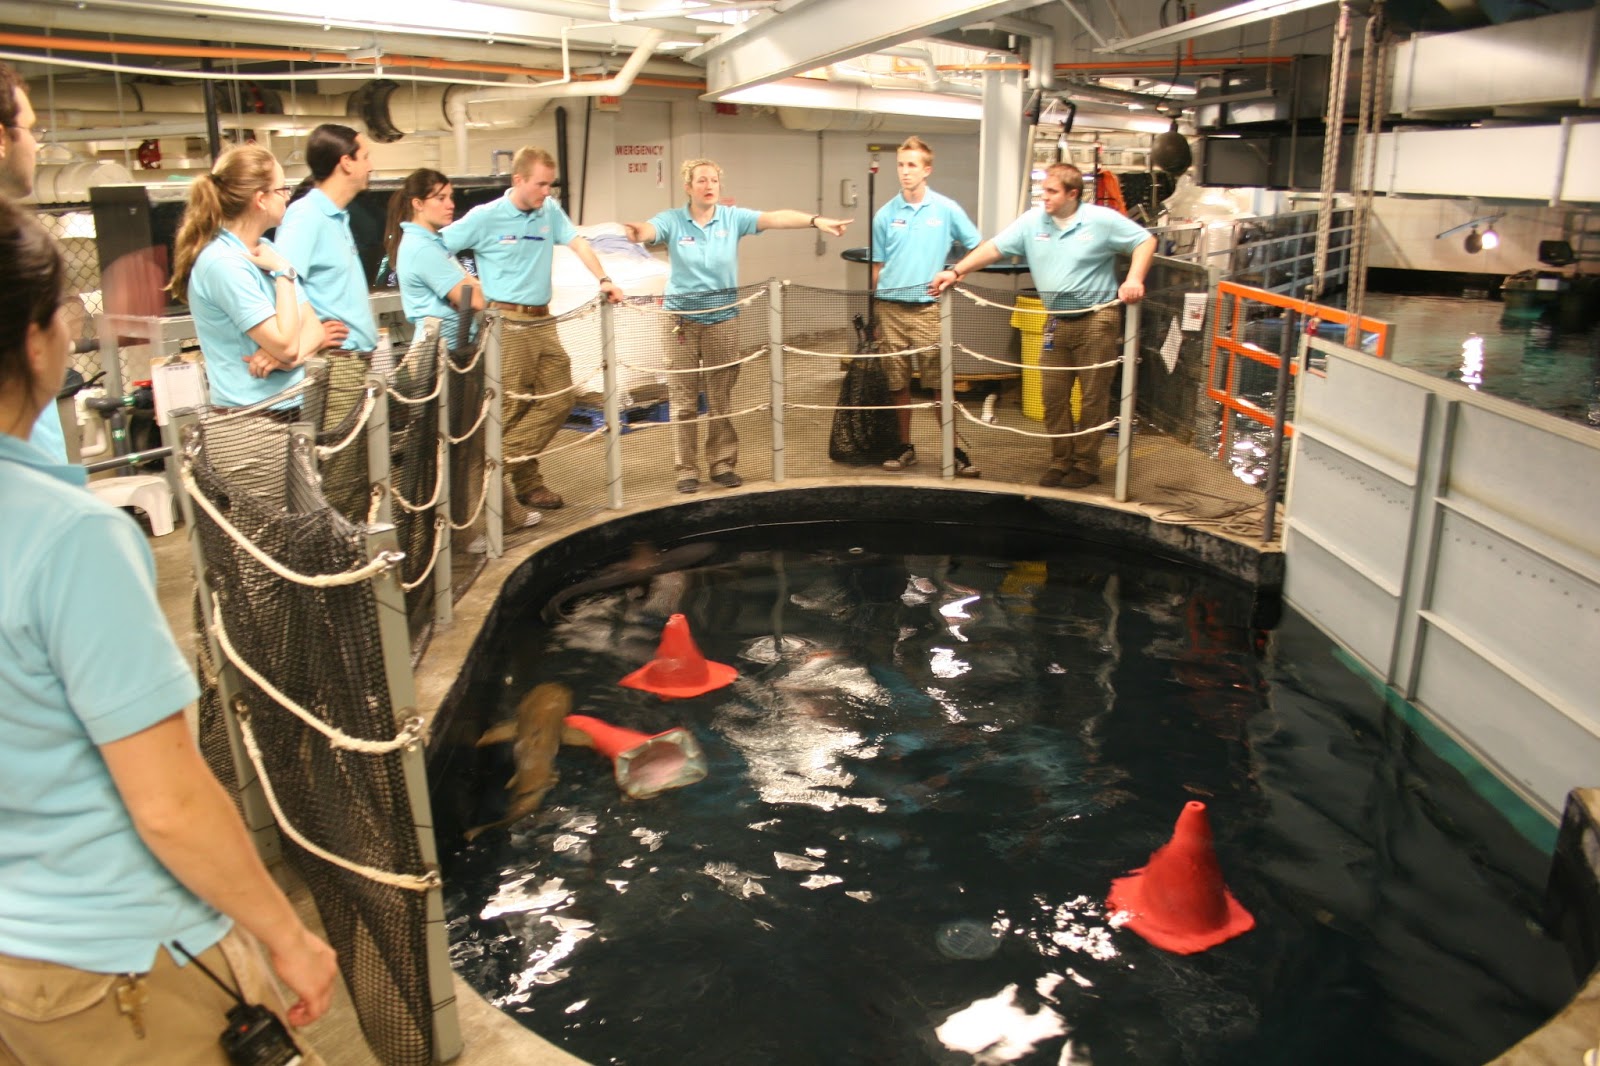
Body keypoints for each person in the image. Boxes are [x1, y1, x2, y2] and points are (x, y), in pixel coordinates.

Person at [0, 199, 338, 1064]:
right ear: (39, 342)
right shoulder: (70, 537)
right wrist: (285, 936)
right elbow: (168, 802)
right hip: (123, 961)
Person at [623, 158, 851, 494]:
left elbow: (775, 218)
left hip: (722, 320)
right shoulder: (672, 220)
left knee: (720, 399)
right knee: (684, 402)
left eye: (713, 180)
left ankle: (722, 464)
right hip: (680, 324)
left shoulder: (733, 218)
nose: (708, 185)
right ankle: (686, 470)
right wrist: (635, 232)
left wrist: (817, 221)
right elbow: (649, 230)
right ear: (688, 187)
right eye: (701, 180)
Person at [931, 162, 1154, 489]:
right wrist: (956, 271)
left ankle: (1085, 464)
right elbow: (994, 247)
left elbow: (1144, 241)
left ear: (1072, 194)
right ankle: (1061, 460)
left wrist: (1134, 279)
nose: (1043, 198)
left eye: (1051, 192)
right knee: (1053, 397)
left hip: (1097, 319)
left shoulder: (1101, 221)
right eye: (1042, 191)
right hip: (1056, 323)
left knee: (1093, 397)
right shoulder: (1032, 222)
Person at [442, 145, 622, 522]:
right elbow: (436, 246)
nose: (546, 192)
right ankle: (507, 485)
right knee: (509, 407)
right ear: (518, 180)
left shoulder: (549, 211)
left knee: (558, 399)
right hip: (505, 324)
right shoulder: (485, 217)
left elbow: (577, 242)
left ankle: (495, 468)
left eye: (550, 185)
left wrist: (604, 279)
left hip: (544, 320)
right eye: (540, 184)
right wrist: (464, 284)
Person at [168, 145, 324, 409]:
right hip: (252, 421)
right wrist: (284, 275)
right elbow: (286, 344)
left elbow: (315, 330)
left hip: (292, 408)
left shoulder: (267, 250)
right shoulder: (223, 263)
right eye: (281, 189)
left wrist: (289, 358)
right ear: (260, 199)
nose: (287, 197)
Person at [869, 136, 981, 477]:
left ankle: (953, 450)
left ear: (927, 170)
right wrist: (877, 307)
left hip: (929, 308)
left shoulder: (946, 210)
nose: (905, 172)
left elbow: (978, 246)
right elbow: (877, 265)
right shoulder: (885, 214)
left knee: (939, 383)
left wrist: (954, 271)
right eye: (901, 165)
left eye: (912, 165)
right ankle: (904, 447)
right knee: (896, 382)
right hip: (890, 308)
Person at [275, 124, 377, 357]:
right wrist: (311, 334)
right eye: (365, 157)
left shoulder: (336, 216)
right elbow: (279, 280)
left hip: (353, 358)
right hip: (336, 359)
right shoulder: (307, 214)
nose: (370, 166)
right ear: (346, 162)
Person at [384, 168, 484, 350]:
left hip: (454, 350)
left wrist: (469, 295)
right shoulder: (422, 248)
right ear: (418, 204)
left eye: (450, 197)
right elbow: (475, 300)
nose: (450, 205)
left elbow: (472, 293)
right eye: (440, 198)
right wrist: (468, 296)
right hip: (437, 357)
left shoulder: (434, 243)